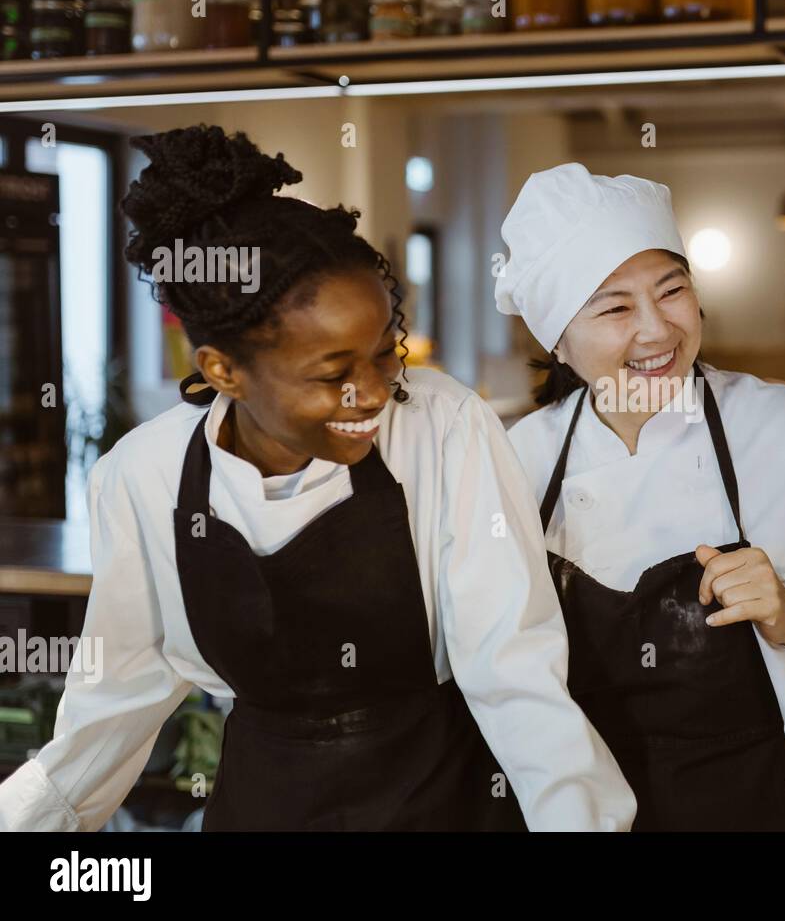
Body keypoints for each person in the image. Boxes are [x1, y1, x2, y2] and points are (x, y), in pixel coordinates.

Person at [0, 126, 635, 832]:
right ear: (221, 371)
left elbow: (514, 672)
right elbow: (111, 710)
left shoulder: (443, 425)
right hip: (261, 808)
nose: (370, 392)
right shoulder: (143, 479)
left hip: (441, 801)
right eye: (332, 374)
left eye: (385, 351)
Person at [497, 162, 785, 830]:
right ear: (557, 338)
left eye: (672, 291)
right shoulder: (519, 460)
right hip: (594, 810)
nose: (656, 330)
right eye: (615, 307)